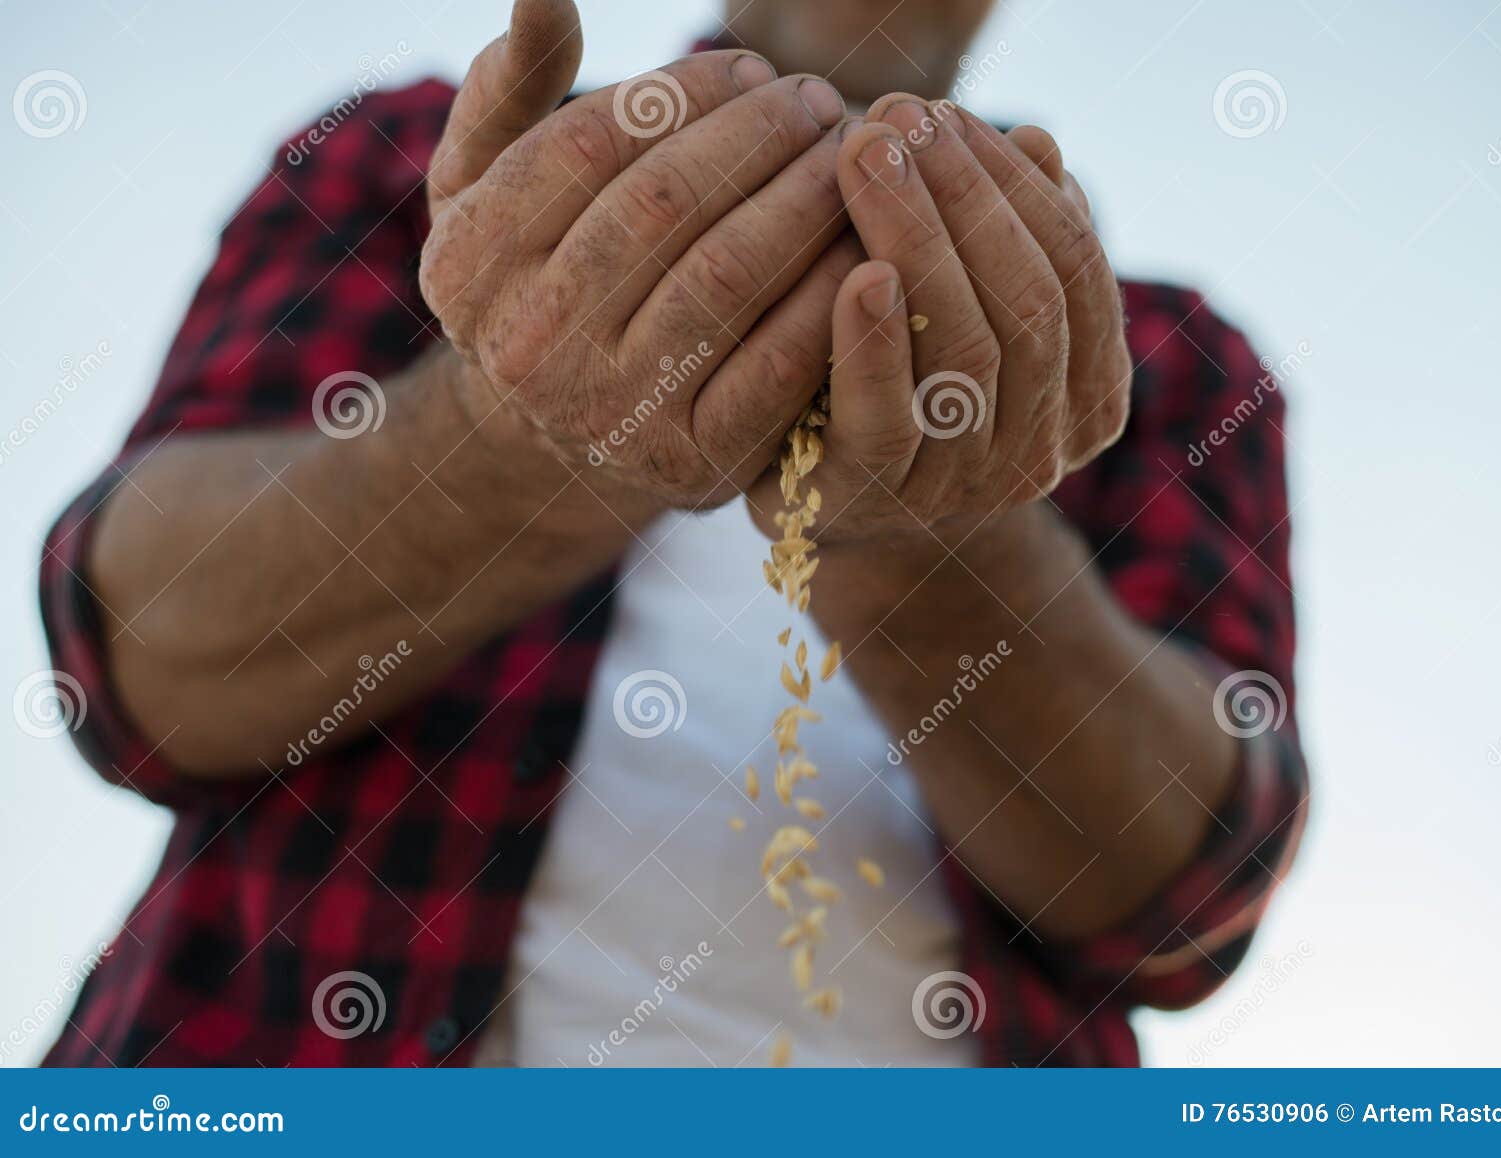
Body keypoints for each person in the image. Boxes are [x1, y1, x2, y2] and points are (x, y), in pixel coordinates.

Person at [39, 0, 1307, 1067]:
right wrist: (515, 440)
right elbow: (137, 659)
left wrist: (926, 545)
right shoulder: (417, 162)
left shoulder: (1165, 360)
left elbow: (1182, 899)